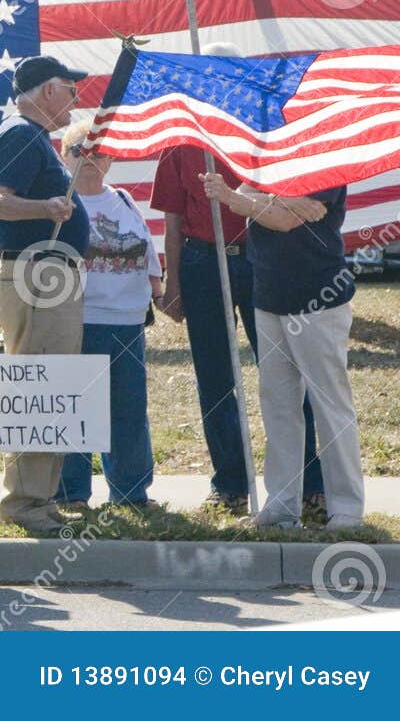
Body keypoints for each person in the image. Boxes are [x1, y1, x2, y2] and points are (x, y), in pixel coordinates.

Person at [151, 46, 324, 519]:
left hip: (261, 259)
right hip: (203, 264)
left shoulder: (265, 134)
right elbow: (171, 221)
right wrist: (173, 282)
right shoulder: (180, 140)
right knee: (215, 379)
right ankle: (230, 484)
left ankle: (311, 485)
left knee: (285, 374)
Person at [200, 174, 363, 530]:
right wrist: (278, 198)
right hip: (269, 296)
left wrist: (244, 199)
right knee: (278, 404)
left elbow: (284, 220)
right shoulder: (264, 157)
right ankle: (282, 506)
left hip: (319, 298)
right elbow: (260, 200)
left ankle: (347, 510)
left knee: (329, 405)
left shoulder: (326, 159)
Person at [0, 54, 91, 534]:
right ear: (47, 90)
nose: (75, 99)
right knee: (36, 387)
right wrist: (43, 206)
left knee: (51, 387)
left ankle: (40, 498)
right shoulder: (20, 134)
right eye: (70, 88)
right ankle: (24, 503)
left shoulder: (32, 137)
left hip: (47, 274)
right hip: (36, 274)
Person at [53, 120, 160, 512]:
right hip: (79, 318)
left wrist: (159, 289)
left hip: (127, 321)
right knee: (76, 406)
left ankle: (130, 492)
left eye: (99, 151)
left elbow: (147, 250)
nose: (91, 158)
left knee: (128, 408)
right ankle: (70, 493)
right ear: (64, 155)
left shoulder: (125, 200)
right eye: (80, 150)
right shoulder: (60, 202)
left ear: (112, 156)